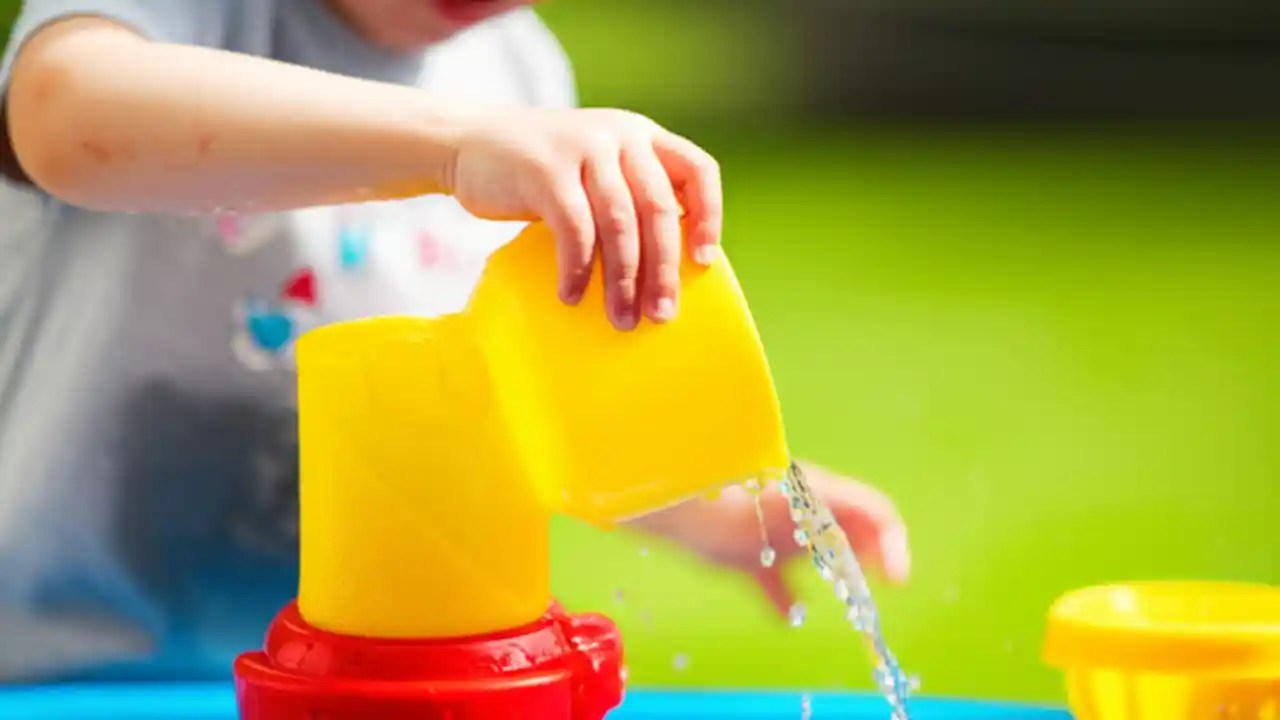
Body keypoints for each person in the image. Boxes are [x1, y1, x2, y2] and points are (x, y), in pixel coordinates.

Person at [0, 0, 910, 681]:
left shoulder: (521, 75)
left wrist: (699, 513)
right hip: (68, 666)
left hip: (361, 683)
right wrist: (453, 146)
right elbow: (60, 114)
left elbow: (514, 395)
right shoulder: (203, 14)